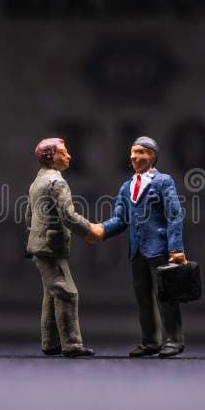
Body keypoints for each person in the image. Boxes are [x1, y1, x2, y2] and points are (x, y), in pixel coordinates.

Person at [86, 136, 188, 358]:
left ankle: (173, 339)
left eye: (141, 152)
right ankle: (151, 340)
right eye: (133, 152)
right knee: (143, 296)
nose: (134, 156)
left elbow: (174, 214)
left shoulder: (163, 181)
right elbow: (120, 219)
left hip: (160, 249)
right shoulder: (126, 187)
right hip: (137, 251)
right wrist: (101, 230)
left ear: (152, 156)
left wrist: (176, 248)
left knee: (165, 295)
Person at [25, 138, 96, 357]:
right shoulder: (57, 183)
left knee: (51, 293)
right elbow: (68, 216)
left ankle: (50, 342)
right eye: (63, 153)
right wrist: (90, 229)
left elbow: (29, 215)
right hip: (51, 246)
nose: (69, 156)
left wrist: (32, 239)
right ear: (50, 157)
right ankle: (72, 344)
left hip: (39, 244)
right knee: (67, 292)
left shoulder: (37, 181)